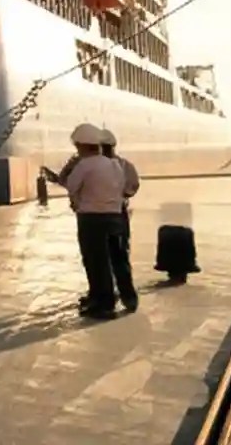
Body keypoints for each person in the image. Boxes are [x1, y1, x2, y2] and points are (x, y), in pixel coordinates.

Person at [64, 123, 130, 319]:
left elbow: (71, 185)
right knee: (118, 258)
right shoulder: (115, 164)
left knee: (95, 261)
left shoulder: (84, 165)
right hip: (115, 216)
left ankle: (103, 303)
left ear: (82, 145)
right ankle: (127, 297)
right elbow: (123, 187)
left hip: (91, 219)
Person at [101, 128, 140, 312]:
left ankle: (109, 296)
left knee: (106, 257)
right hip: (117, 212)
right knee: (119, 256)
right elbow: (134, 185)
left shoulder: (95, 165)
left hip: (105, 213)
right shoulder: (124, 165)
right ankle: (126, 297)